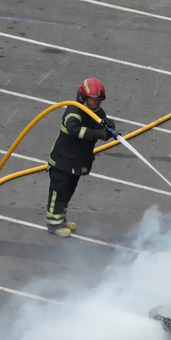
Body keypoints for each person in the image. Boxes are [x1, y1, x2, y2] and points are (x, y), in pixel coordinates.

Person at [45, 78, 117, 238]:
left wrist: (108, 127)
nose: (94, 103)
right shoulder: (74, 111)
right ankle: (53, 223)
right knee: (59, 192)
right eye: (92, 100)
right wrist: (97, 134)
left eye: (97, 101)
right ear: (82, 97)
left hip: (77, 163)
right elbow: (74, 129)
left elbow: (99, 124)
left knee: (68, 192)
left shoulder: (97, 112)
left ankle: (61, 219)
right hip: (62, 162)